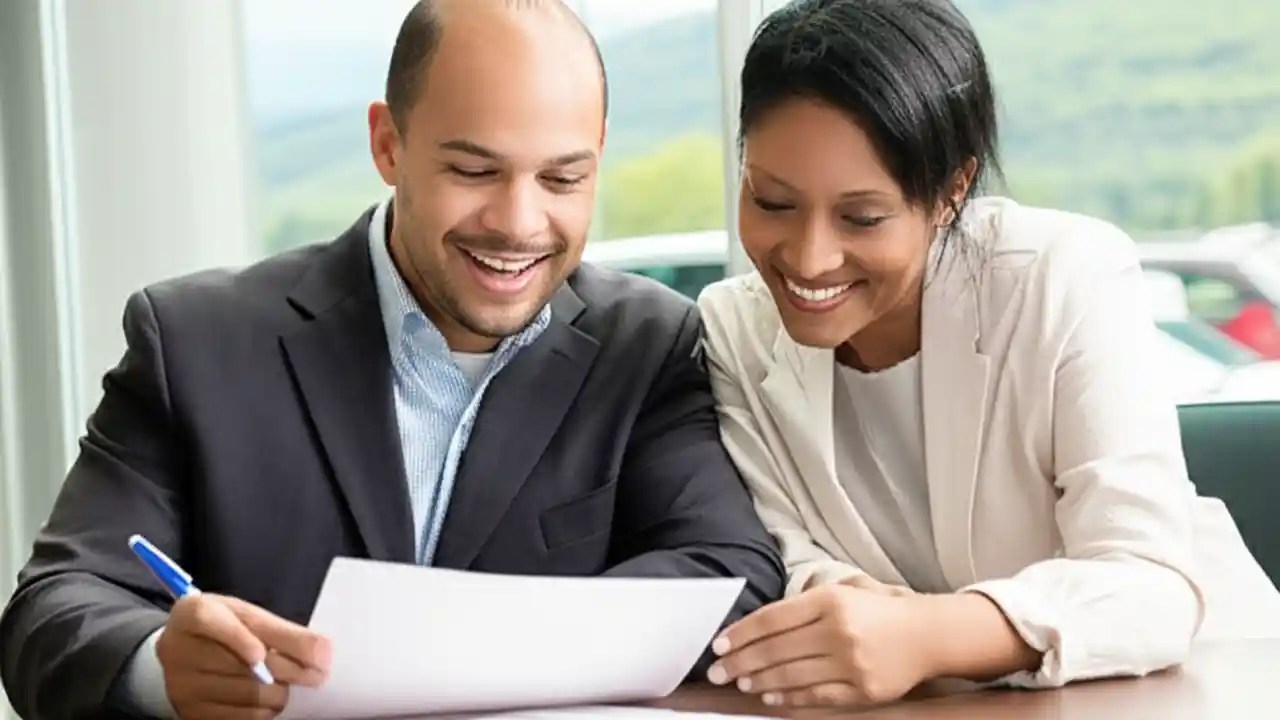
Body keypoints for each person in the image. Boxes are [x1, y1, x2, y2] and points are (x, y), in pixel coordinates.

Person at [0, 1, 784, 718]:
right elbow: (56, 607)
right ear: (388, 143)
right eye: (474, 171)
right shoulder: (194, 342)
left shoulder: (652, 345)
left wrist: (477, 649)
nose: (519, 223)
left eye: (562, 178)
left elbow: (731, 576)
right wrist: (156, 662)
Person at [696, 0, 1276, 710]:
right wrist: (862, 625)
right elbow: (793, 556)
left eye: (863, 217)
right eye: (773, 202)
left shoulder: (1066, 276)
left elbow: (1148, 582)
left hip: (1187, 684)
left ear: (952, 191)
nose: (810, 257)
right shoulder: (730, 328)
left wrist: (928, 634)